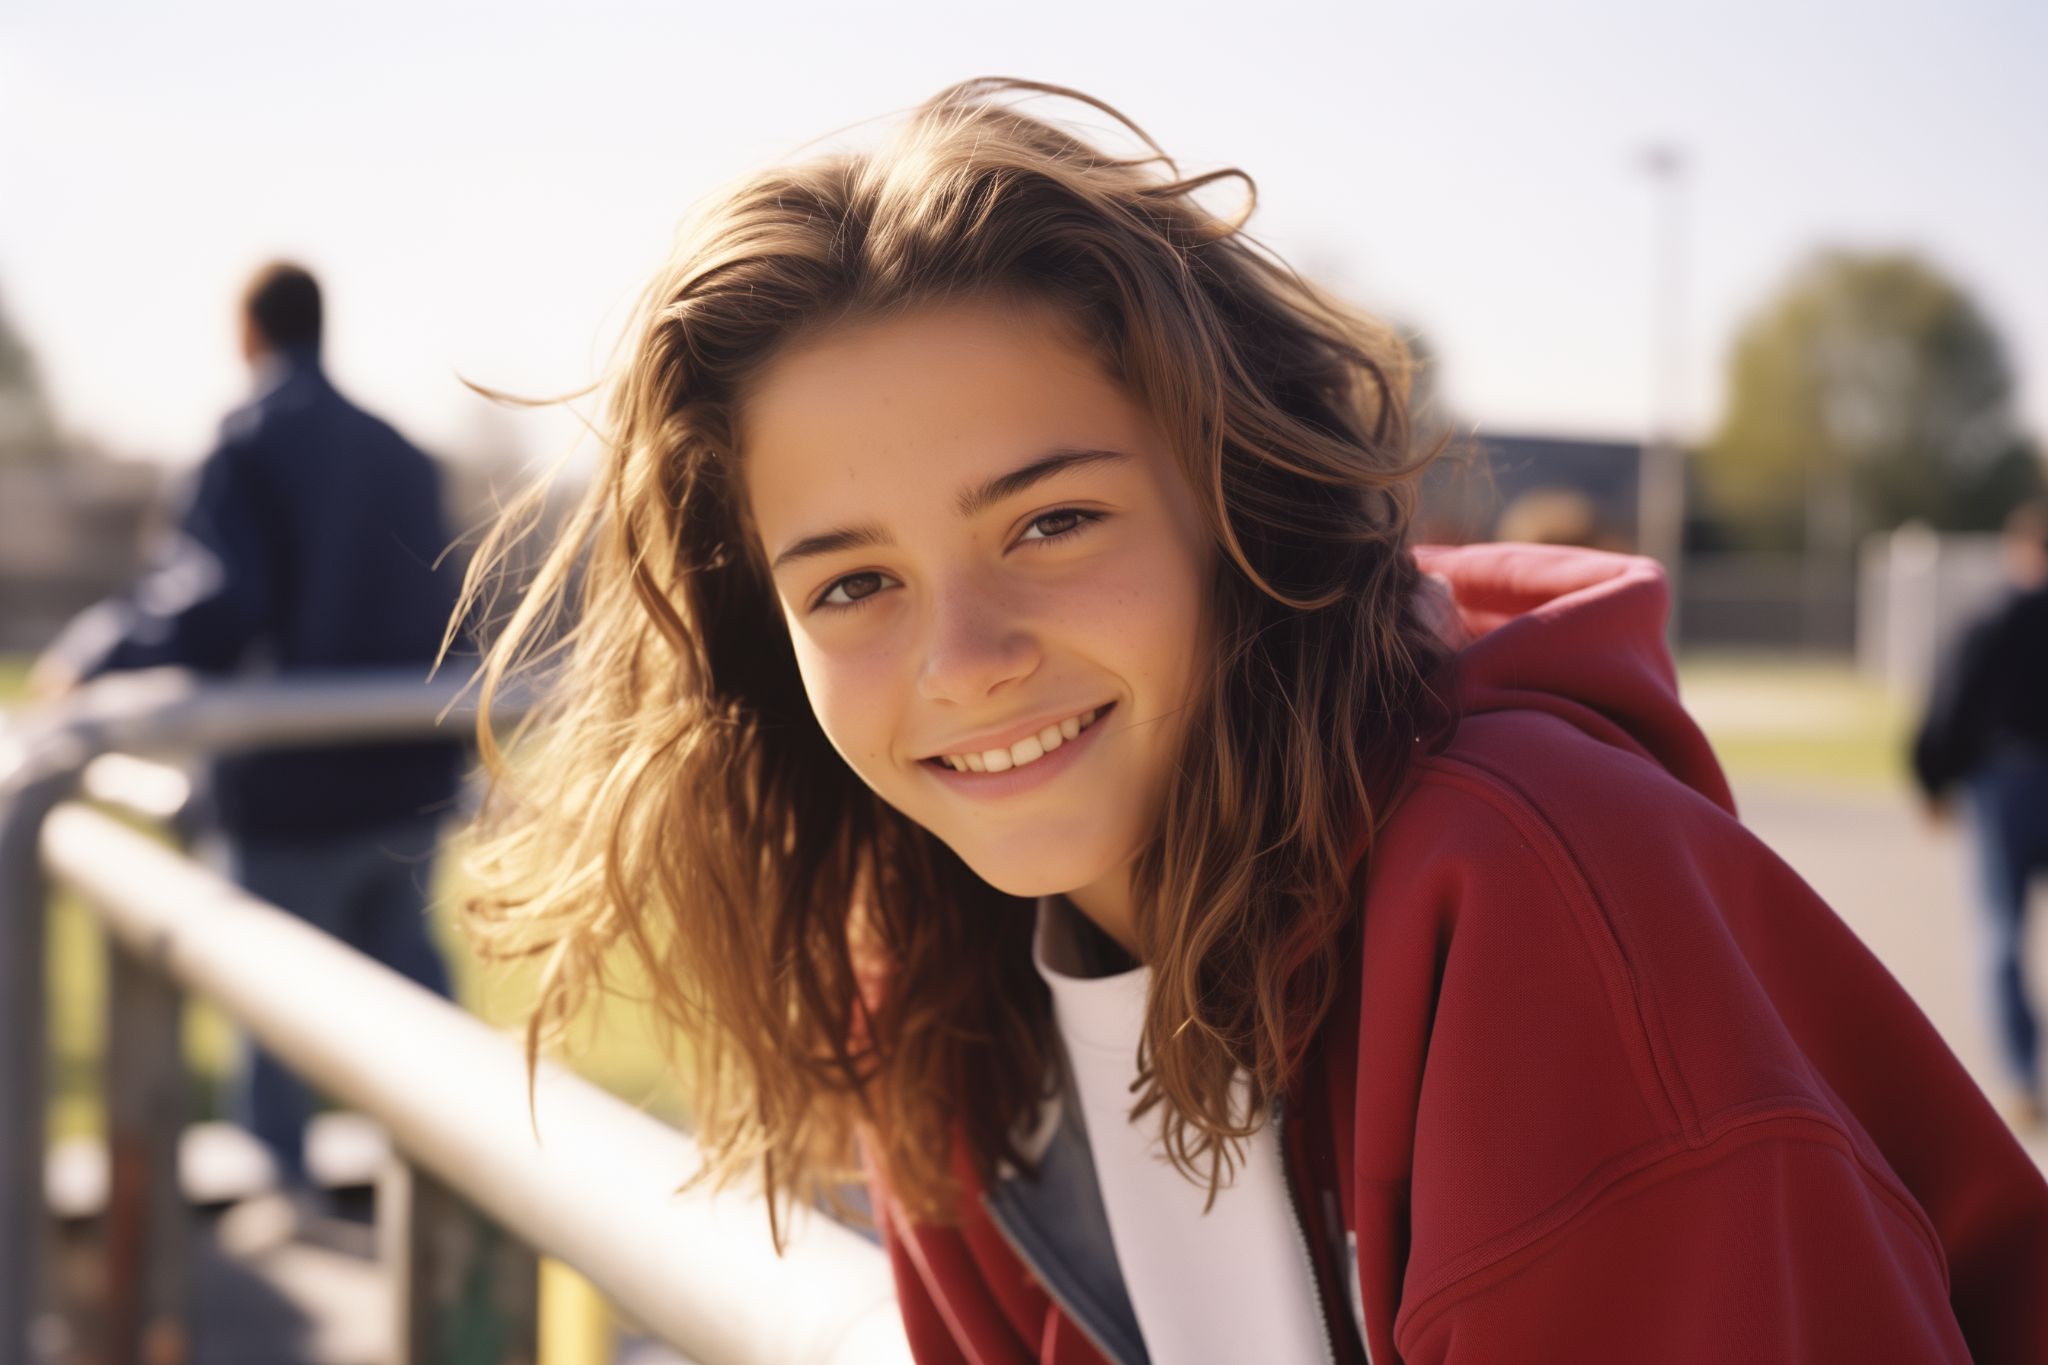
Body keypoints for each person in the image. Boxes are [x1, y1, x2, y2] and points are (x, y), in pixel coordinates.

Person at [456, 79, 2048, 1363]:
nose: (967, 657)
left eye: (1051, 522)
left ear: (1243, 506)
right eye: (853, 584)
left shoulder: (1539, 893)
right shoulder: (944, 1006)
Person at [33, 261, 463, 1234]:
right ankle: (451, 1201)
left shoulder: (247, 442)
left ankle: (286, 1191)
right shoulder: (398, 451)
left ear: (248, 333)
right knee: (416, 1002)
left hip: (291, 787)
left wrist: (92, 654)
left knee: (271, 1005)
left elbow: (216, 603)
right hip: (400, 775)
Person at [1912, 497, 2048, 1136]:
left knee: (2001, 931)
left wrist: (1933, 778)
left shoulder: (1991, 617)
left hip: (2006, 781)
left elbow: (1951, 699)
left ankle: (2023, 1079)